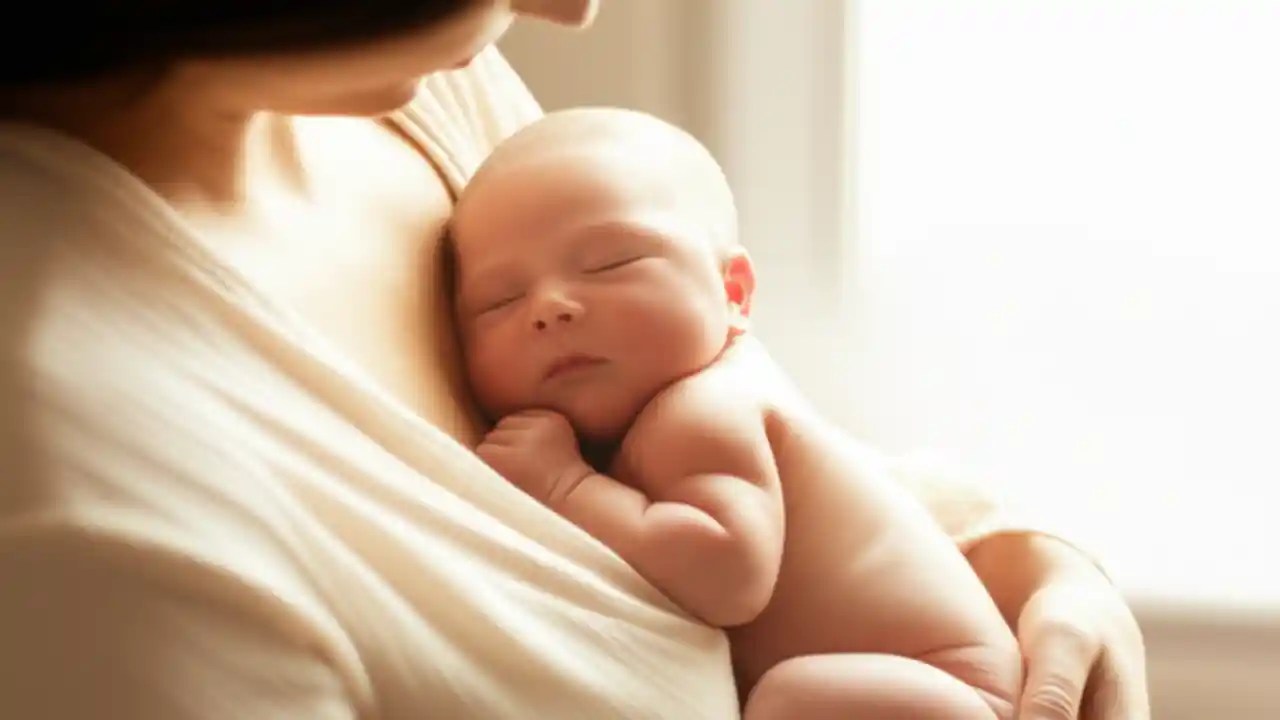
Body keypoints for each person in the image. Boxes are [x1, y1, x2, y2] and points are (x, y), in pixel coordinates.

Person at [0, 1, 1149, 719]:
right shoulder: (93, 516)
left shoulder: (411, 84)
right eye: (495, 299)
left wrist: (1029, 573)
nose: (570, 9)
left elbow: (785, 475)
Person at [451, 105, 1024, 719]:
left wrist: (567, 487)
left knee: (788, 701)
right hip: (926, 688)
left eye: (610, 264)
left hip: (945, 695)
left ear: (733, 293)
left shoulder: (700, 411)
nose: (550, 306)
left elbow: (728, 574)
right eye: (499, 301)